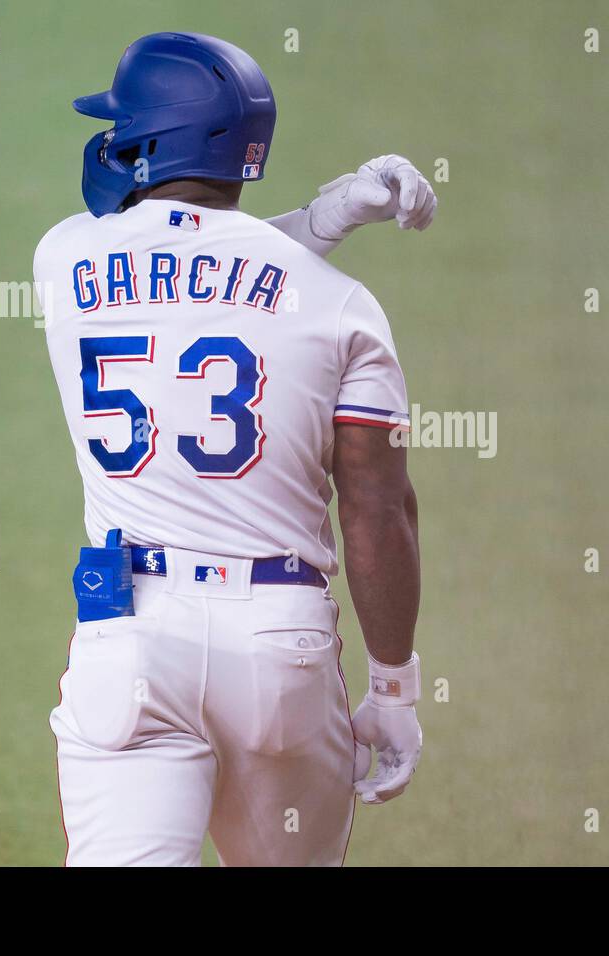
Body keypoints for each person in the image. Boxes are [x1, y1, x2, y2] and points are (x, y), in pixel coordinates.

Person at [33, 31, 432, 866]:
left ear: (148, 141)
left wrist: (319, 218)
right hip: (279, 655)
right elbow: (378, 509)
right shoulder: (343, 307)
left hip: (132, 641)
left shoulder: (64, 255)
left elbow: (181, 262)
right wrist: (393, 686)